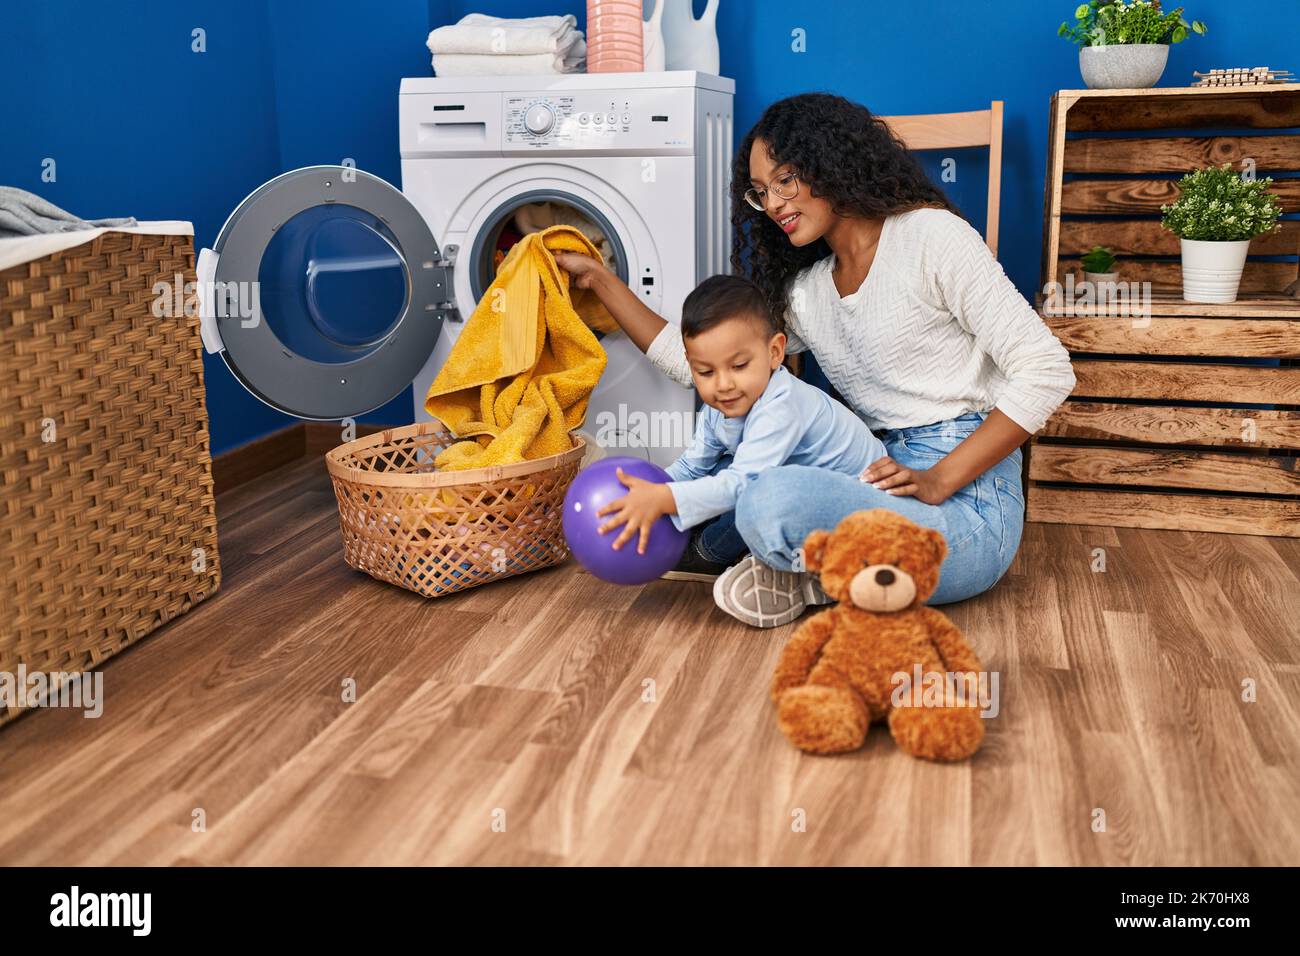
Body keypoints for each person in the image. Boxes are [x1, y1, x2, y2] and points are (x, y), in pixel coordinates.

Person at [556, 93, 1075, 628]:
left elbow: (1047, 369)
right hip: (874, 474)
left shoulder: (930, 237)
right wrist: (597, 278)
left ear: (830, 161)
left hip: (968, 505)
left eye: (786, 180)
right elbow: (698, 360)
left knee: (767, 503)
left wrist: (941, 478)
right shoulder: (808, 291)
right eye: (761, 193)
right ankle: (815, 570)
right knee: (746, 486)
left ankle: (800, 572)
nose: (775, 203)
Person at [594, 274, 886, 591]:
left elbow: (744, 484)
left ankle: (709, 553)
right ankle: (711, 534)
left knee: (749, 491)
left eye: (739, 366)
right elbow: (692, 466)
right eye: (705, 372)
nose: (723, 385)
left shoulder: (781, 405)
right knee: (717, 470)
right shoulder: (719, 409)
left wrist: (666, 498)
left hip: (855, 506)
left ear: (775, 352)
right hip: (803, 485)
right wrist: (647, 492)